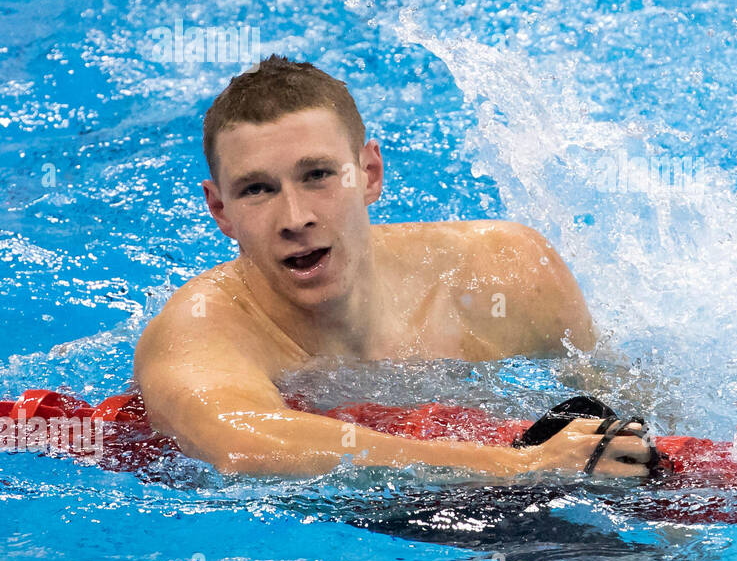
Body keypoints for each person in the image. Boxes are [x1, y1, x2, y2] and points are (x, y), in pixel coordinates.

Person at [132, 56, 654, 480]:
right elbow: (244, 443)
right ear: (219, 209)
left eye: (317, 175)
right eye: (258, 190)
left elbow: (623, 395)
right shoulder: (197, 331)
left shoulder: (503, 269)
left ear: (369, 174)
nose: (295, 218)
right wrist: (519, 466)